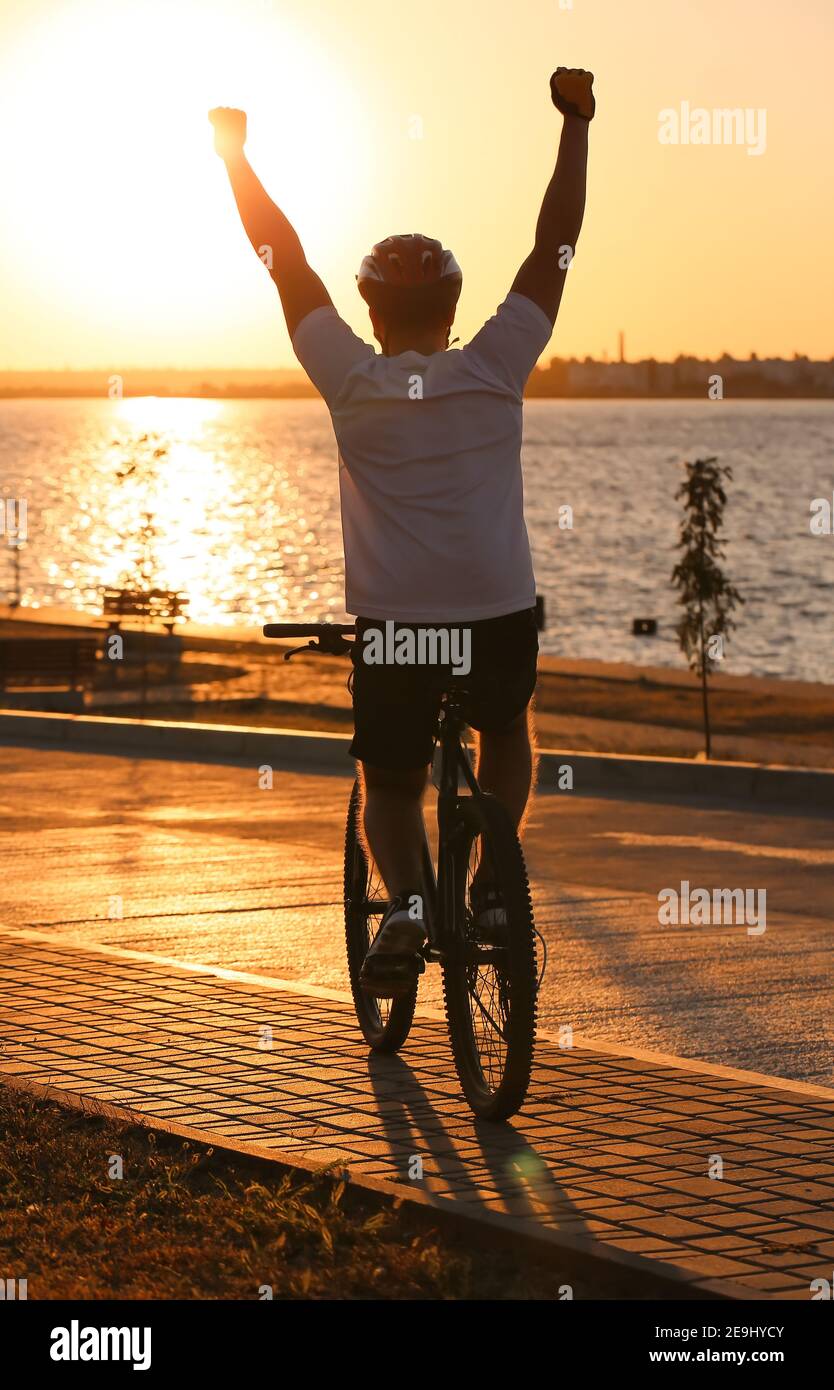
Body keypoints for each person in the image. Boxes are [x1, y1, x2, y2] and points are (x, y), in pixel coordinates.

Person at [210, 67, 595, 994]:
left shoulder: (349, 377)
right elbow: (556, 242)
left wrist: (234, 156)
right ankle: (492, 889)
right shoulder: (498, 364)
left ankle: (413, 910)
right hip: (499, 615)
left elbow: (284, 257)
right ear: (455, 309)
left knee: (391, 786)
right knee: (505, 731)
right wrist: (577, 123)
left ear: (372, 313)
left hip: (397, 631)